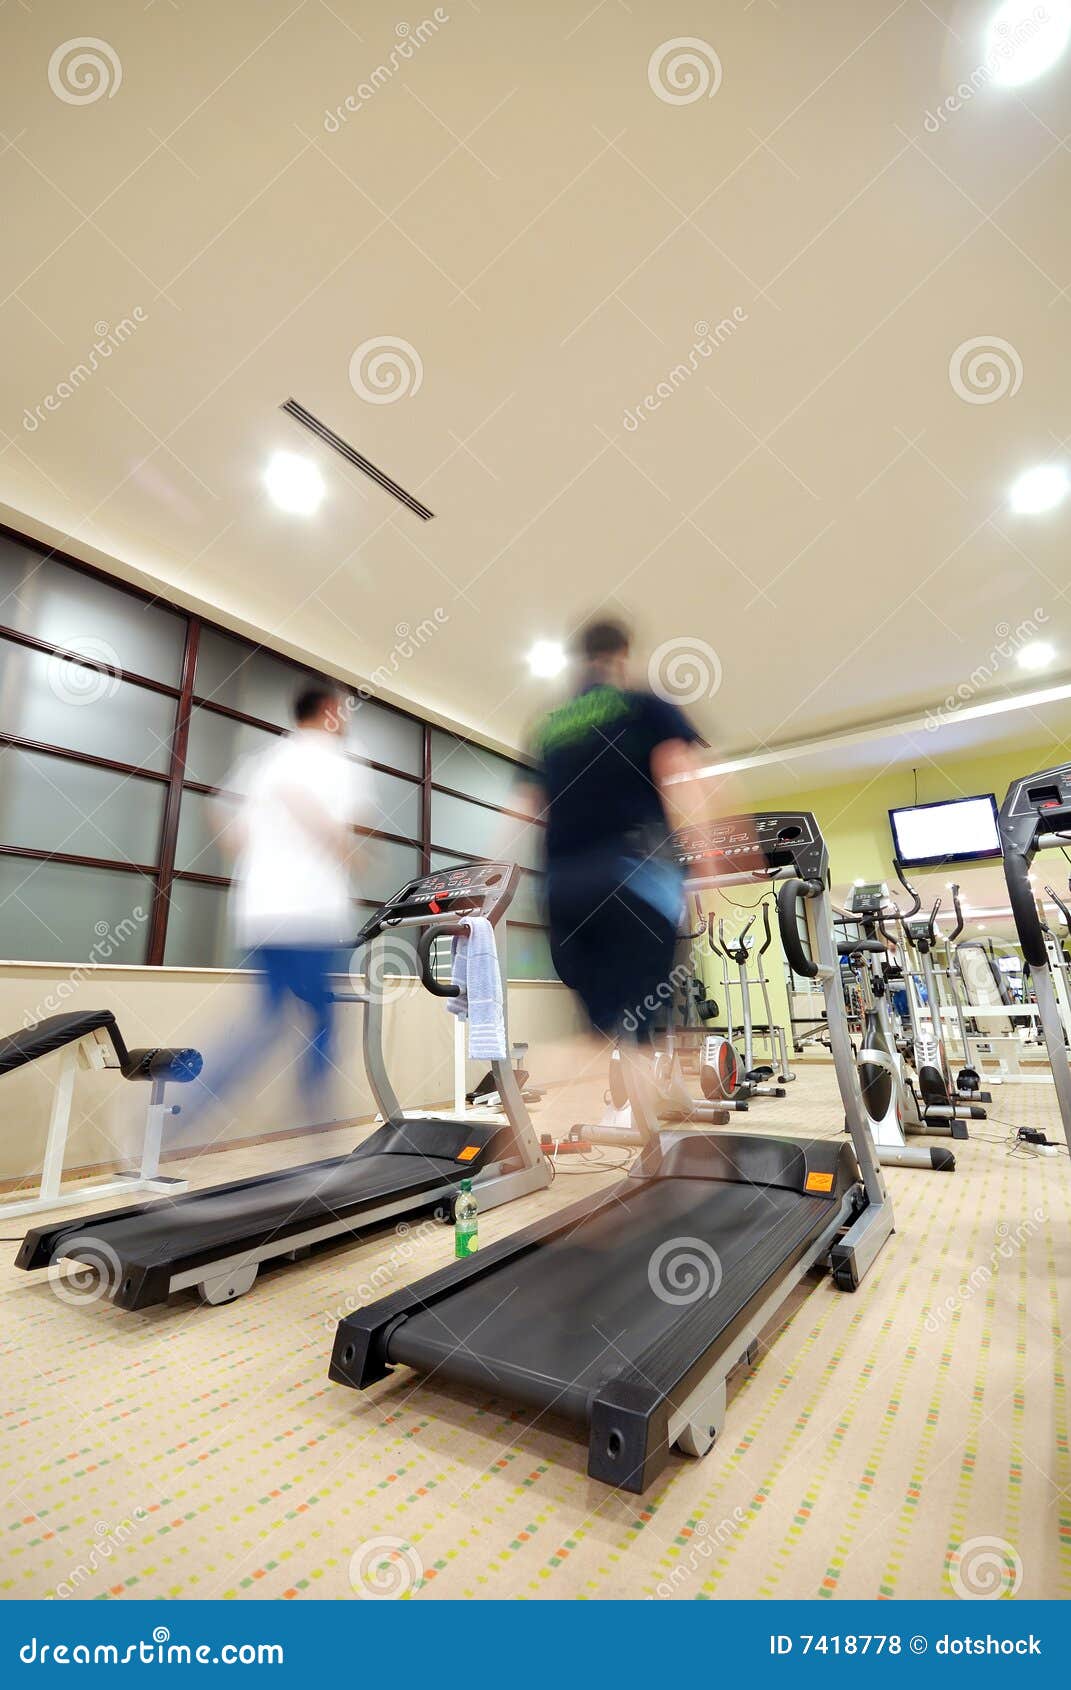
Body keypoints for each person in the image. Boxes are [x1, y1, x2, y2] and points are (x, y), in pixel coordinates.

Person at [182, 682, 367, 1135]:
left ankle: (181, 1111)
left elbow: (220, 815)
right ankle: (315, 1126)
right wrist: (345, 849)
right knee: (316, 1019)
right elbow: (334, 820)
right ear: (328, 710)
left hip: (260, 912)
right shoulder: (332, 757)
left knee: (275, 1019)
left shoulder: (265, 760)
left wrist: (260, 856)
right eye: (343, 710)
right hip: (310, 914)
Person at [515, 617, 708, 1043]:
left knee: (601, 1031)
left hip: (563, 892)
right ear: (622, 655)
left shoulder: (548, 726)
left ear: (580, 658)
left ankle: (611, 1072)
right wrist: (708, 858)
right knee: (639, 1025)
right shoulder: (643, 706)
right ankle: (635, 1071)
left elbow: (524, 809)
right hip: (632, 882)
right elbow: (681, 776)